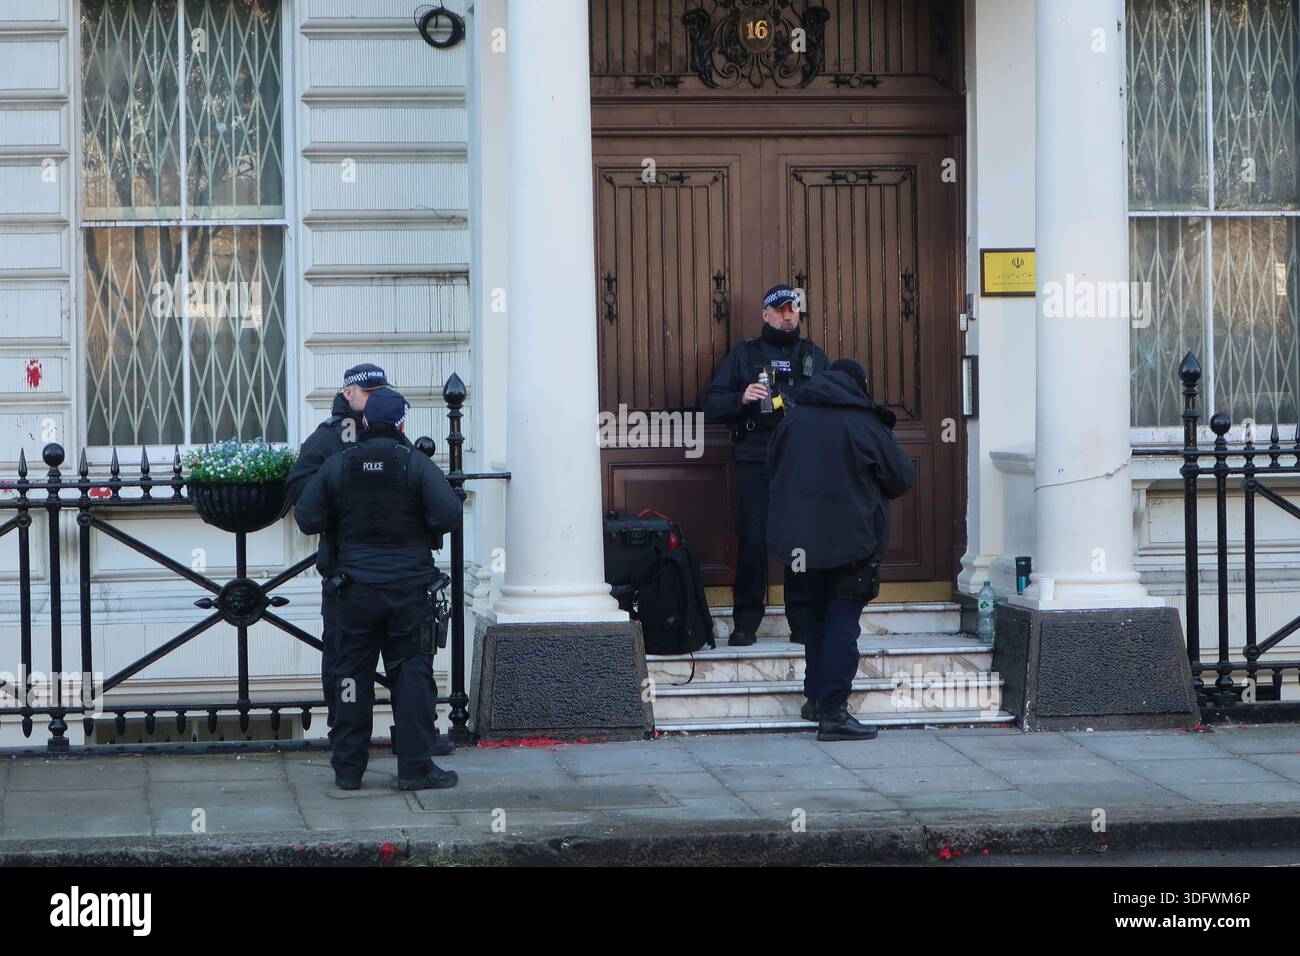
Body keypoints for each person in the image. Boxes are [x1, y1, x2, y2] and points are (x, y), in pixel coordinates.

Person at [293, 389, 464, 790]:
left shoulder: (340, 464)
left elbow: (307, 517)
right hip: (407, 593)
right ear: (402, 424)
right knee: (411, 677)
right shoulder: (415, 465)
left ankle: (349, 770)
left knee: (351, 678)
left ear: (364, 422)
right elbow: (449, 515)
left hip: (353, 594)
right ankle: (416, 768)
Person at [766, 358, 916, 742]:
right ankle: (833, 713)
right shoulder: (863, 423)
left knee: (815, 622)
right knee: (841, 626)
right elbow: (901, 478)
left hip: (800, 546)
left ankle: (815, 700)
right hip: (852, 545)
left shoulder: (793, 420)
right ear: (859, 385)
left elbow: (771, 469)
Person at [701, 283, 828, 646]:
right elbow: (711, 402)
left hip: (800, 462)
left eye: (794, 310)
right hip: (754, 458)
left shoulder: (814, 356)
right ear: (766, 314)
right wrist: (741, 397)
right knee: (753, 542)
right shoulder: (744, 355)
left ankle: (801, 622)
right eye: (781, 310)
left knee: (799, 543)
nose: (788, 316)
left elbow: (838, 403)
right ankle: (746, 622)